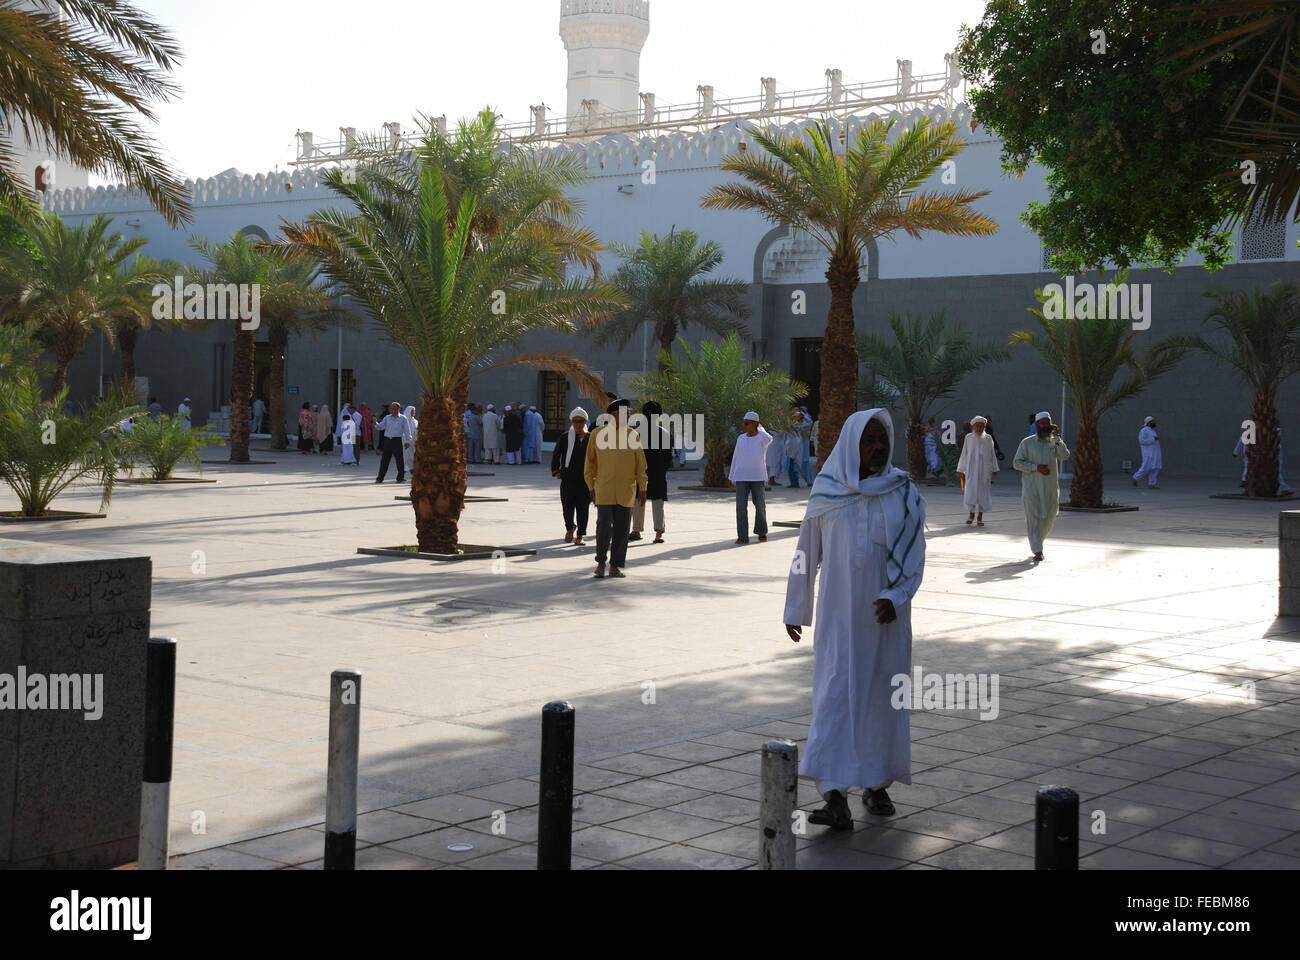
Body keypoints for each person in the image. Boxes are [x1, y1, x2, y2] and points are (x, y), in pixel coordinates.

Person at [783, 408, 927, 829]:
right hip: (838, 622)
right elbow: (805, 554)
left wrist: (897, 595)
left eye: (882, 440)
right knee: (834, 699)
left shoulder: (904, 492)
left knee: (881, 703)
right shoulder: (827, 492)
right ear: (851, 445)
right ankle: (833, 797)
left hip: (887, 624)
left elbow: (916, 555)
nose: (878, 448)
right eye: (869, 441)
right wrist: (796, 608)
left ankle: (876, 784)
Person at [584, 399, 647, 579]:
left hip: (626, 490)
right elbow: (589, 464)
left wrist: (643, 487)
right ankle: (601, 562)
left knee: (622, 529)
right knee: (603, 526)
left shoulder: (632, 435)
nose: (629, 415)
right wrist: (590, 486)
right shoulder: (596, 434)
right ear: (614, 415)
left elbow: (640, 465)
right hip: (603, 489)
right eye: (626, 413)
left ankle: (615, 565)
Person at [1013, 411, 1071, 562]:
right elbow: (1017, 463)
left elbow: (1065, 456)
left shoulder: (1054, 442)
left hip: (1050, 489)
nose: (1046, 426)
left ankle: (1038, 542)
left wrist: (1057, 437)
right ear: (1037, 424)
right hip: (1032, 489)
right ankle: (1037, 550)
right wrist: (1036, 467)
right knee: (1033, 519)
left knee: (1049, 518)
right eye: (1043, 423)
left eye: (1049, 423)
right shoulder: (1027, 442)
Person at [632, 400, 672, 543]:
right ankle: (658, 532)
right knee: (658, 501)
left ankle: (636, 530)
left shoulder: (636, 432)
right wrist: (663, 470)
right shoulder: (665, 433)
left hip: (641, 472)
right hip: (659, 473)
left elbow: (633, 455)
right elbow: (668, 457)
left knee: (638, 500)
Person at [731, 411, 773, 544]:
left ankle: (761, 532)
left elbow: (769, 438)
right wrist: (731, 476)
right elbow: (735, 458)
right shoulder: (741, 438)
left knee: (760, 505)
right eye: (744, 423)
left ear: (755, 424)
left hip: (758, 477)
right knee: (741, 507)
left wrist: (759, 428)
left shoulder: (762, 439)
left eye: (747, 423)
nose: (744, 426)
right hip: (741, 477)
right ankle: (742, 536)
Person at [551, 407, 591, 545]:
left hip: (585, 479)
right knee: (567, 507)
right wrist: (556, 471)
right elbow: (556, 455)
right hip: (568, 478)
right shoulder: (565, 437)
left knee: (583, 508)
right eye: (575, 421)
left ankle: (580, 535)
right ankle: (570, 527)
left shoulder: (590, 438)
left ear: (585, 421)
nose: (578, 424)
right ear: (571, 421)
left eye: (581, 421)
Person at [957, 415, 998, 526]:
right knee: (971, 491)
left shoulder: (988, 438)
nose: (979, 429)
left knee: (983, 493)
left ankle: (980, 516)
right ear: (973, 427)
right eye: (977, 426)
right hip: (971, 470)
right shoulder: (968, 438)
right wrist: (961, 469)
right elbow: (964, 454)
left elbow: (992, 454)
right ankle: (971, 514)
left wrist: (995, 468)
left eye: (981, 426)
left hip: (985, 471)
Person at [374, 401, 413, 483]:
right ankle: (380, 478)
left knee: (399, 460)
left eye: (395, 408)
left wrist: (408, 441)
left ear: (399, 409)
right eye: (391, 409)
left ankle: (400, 477)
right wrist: (376, 423)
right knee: (384, 461)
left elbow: (407, 431)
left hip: (397, 441)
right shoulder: (387, 417)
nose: (393, 410)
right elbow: (380, 427)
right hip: (388, 440)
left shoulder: (403, 418)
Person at [1132, 416, 1162, 489]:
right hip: (1148, 453)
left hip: (1155, 453)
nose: (1154, 423)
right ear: (1148, 422)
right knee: (1146, 467)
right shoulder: (1144, 430)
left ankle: (1152, 484)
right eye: (1153, 421)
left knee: (1155, 468)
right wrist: (1153, 439)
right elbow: (1142, 441)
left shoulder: (1152, 430)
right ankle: (1135, 478)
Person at [784, 419, 803, 488]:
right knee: (792, 469)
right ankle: (794, 483)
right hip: (791, 454)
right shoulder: (793, 434)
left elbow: (794, 445)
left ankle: (795, 483)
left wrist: (792, 454)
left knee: (793, 469)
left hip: (793, 454)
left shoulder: (795, 435)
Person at [403, 405, 419, 476]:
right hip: (406, 442)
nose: (413, 413)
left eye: (414, 411)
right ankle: (409, 472)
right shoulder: (404, 421)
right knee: (407, 458)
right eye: (412, 411)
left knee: (413, 457)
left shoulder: (415, 421)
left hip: (414, 442)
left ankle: (409, 472)